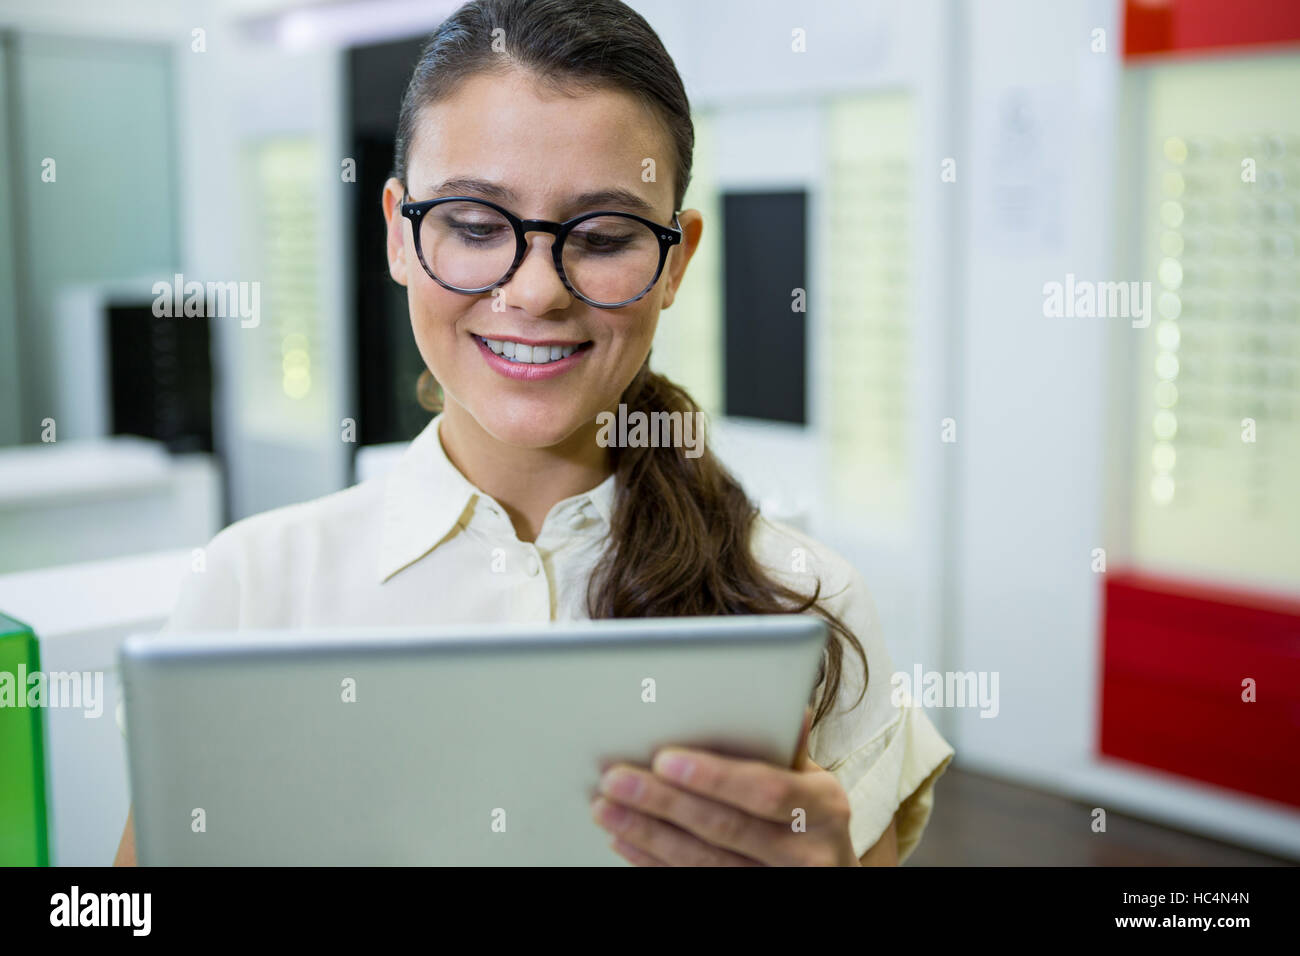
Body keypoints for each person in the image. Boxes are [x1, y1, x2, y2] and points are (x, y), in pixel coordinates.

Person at [115, 0, 953, 867]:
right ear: (399, 233)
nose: (537, 291)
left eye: (603, 235)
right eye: (476, 226)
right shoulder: (252, 591)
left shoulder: (803, 600)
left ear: (676, 262)